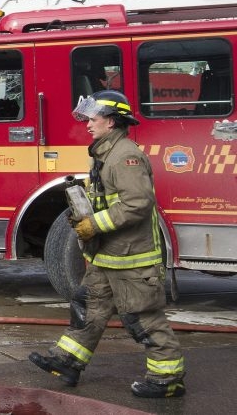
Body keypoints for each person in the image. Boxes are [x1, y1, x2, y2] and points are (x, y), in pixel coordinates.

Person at [29, 90, 185, 398]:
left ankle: (168, 379)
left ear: (111, 122)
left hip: (132, 259)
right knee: (88, 307)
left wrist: (94, 224)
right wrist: (83, 216)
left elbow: (138, 202)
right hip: (107, 256)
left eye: (93, 119)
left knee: (144, 319)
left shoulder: (125, 156)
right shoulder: (105, 154)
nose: (87, 124)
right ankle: (68, 361)